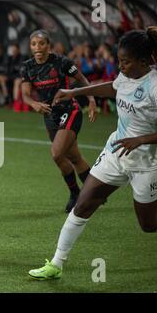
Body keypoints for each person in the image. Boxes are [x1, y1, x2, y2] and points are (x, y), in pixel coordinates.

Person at [29, 26, 157, 280]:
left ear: (143, 61)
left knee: (148, 224)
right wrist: (74, 92)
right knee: (83, 204)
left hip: (147, 163)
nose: (121, 66)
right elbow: (114, 88)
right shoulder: (127, 75)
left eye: (126, 62)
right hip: (116, 152)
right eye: (119, 60)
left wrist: (140, 140)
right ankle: (56, 264)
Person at [20, 30, 98, 213]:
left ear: (49, 45)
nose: (37, 48)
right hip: (50, 116)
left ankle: (76, 194)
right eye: (33, 44)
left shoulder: (61, 62)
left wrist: (92, 100)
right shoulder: (27, 67)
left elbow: (82, 80)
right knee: (74, 157)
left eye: (41, 43)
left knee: (56, 154)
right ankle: (95, 193)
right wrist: (33, 103)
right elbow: (24, 95)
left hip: (70, 111)